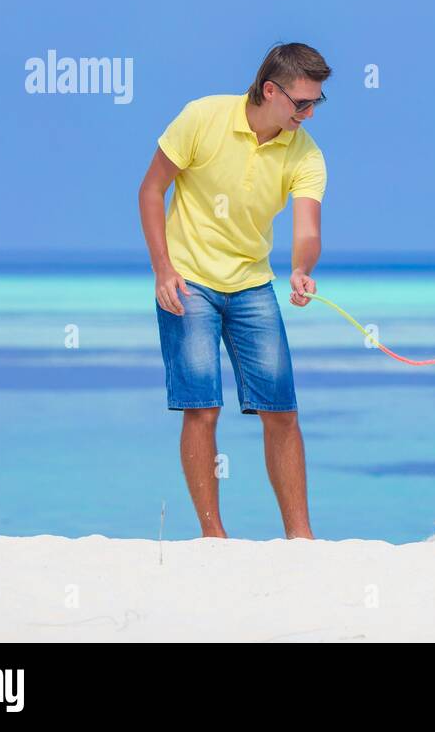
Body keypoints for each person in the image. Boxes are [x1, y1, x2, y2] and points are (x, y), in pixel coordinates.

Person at [137, 42, 330, 539]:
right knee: (202, 407)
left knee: (281, 411)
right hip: (189, 279)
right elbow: (151, 189)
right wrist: (162, 269)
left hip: (252, 285)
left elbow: (307, 228)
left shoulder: (305, 153)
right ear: (271, 90)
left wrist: (302, 268)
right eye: (302, 103)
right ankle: (213, 536)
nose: (309, 113)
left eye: (316, 103)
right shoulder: (203, 117)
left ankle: (301, 537)